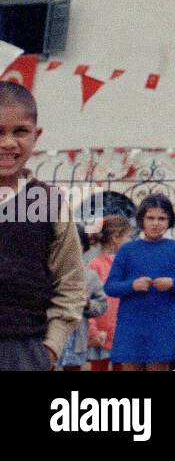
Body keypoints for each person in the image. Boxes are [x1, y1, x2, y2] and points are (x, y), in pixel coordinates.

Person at [0, 82, 85, 371]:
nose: (8, 143)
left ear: (37, 136)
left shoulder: (49, 203)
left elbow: (71, 282)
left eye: (20, 131)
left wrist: (49, 348)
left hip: (23, 350)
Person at [104, 194, 175, 371]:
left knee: (158, 366)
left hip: (162, 324)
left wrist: (172, 283)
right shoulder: (127, 250)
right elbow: (110, 287)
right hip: (132, 324)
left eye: (162, 218)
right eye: (150, 218)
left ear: (170, 221)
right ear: (141, 220)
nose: (156, 223)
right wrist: (132, 285)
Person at [56, 224, 109, 370]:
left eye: (76, 244)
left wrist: (87, 304)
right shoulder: (49, 273)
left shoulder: (90, 276)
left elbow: (102, 305)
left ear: (84, 247)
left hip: (75, 340)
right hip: (50, 337)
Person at [87, 214, 132, 370]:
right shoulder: (96, 265)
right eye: (128, 236)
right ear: (116, 237)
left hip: (122, 332)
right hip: (101, 333)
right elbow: (87, 301)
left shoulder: (127, 265)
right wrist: (92, 331)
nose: (131, 241)